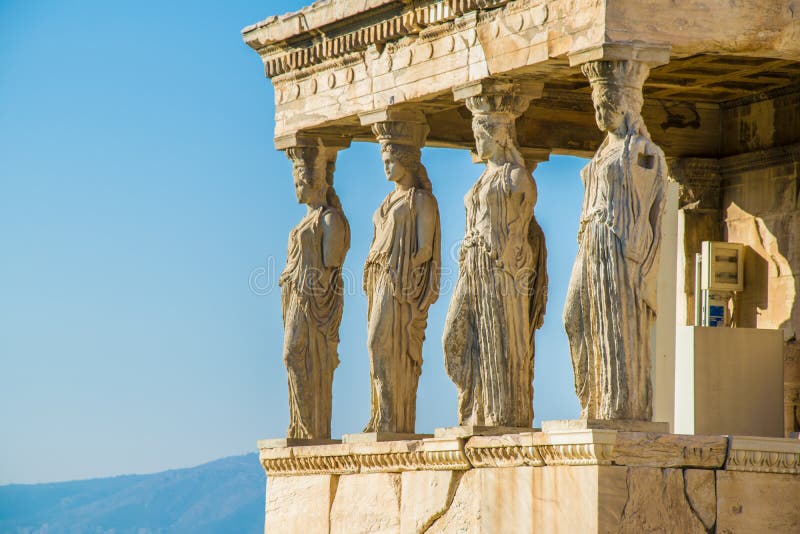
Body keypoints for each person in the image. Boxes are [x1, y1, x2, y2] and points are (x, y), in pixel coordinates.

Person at [563, 60, 667, 421]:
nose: (598, 112)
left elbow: (652, 202)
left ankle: (619, 407)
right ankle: (592, 399)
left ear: (624, 104)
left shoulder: (643, 151)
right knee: (574, 317)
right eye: (595, 104)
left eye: (605, 104)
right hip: (591, 243)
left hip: (620, 246)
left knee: (618, 325)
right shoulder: (603, 151)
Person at [443, 93, 547, 428]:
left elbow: (525, 228)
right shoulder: (483, 179)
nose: (476, 142)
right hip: (471, 267)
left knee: (501, 338)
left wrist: (511, 263)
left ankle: (500, 412)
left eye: (480, 135)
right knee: (454, 338)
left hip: (500, 269)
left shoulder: (517, 179)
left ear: (498, 136)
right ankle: (475, 403)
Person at [363, 134, 440, 434]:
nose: (385, 167)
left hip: (398, 282)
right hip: (377, 278)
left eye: (390, 161)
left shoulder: (420, 200)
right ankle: (381, 415)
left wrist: (404, 269)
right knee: (376, 346)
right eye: (383, 161)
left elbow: (426, 249)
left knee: (377, 343)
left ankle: (392, 416)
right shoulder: (387, 200)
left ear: (405, 161)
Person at [279, 145, 350, 439]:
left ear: (313, 182)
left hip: (313, 301)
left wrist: (310, 286)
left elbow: (332, 263)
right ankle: (302, 425)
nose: (296, 189)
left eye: (299, 182)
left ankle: (313, 427)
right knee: (293, 356)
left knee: (295, 354)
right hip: (295, 296)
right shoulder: (303, 223)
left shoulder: (329, 219)